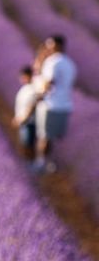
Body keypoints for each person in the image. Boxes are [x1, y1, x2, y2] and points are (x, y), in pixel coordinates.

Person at [33, 35, 77, 174]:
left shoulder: (53, 62)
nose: (47, 48)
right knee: (56, 137)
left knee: (44, 136)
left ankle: (42, 164)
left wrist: (39, 96)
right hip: (64, 104)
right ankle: (53, 164)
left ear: (56, 45)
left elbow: (48, 82)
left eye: (49, 45)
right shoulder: (70, 63)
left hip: (50, 104)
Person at [14, 64, 43, 159]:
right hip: (23, 121)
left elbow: (31, 107)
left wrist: (22, 119)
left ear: (29, 76)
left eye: (24, 77)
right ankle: (29, 163)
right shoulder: (24, 89)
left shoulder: (33, 90)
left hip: (29, 122)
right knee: (25, 144)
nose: (22, 79)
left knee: (29, 145)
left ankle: (32, 164)